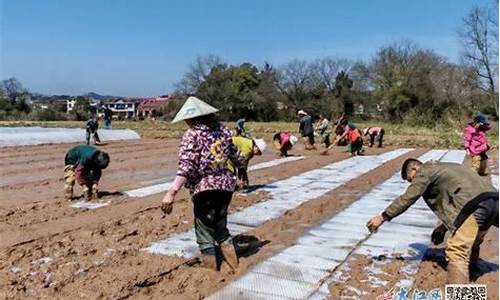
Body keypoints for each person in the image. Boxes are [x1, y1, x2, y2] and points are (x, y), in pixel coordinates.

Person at [367, 158, 498, 284]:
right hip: (493, 200)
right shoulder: (446, 166)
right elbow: (458, 200)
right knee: (473, 242)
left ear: (414, 168)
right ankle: (471, 277)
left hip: (474, 206)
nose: (413, 182)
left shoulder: (425, 171)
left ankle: (459, 294)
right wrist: (443, 227)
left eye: (411, 179)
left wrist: (382, 217)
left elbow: (408, 198)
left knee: (457, 251)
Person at [161, 96, 243, 271]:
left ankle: (211, 270)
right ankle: (235, 266)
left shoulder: (192, 135)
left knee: (204, 228)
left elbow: (187, 166)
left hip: (204, 189)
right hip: (225, 188)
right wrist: (239, 169)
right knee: (220, 225)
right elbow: (236, 158)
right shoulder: (224, 131)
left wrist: (172, 192)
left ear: (191, 118)